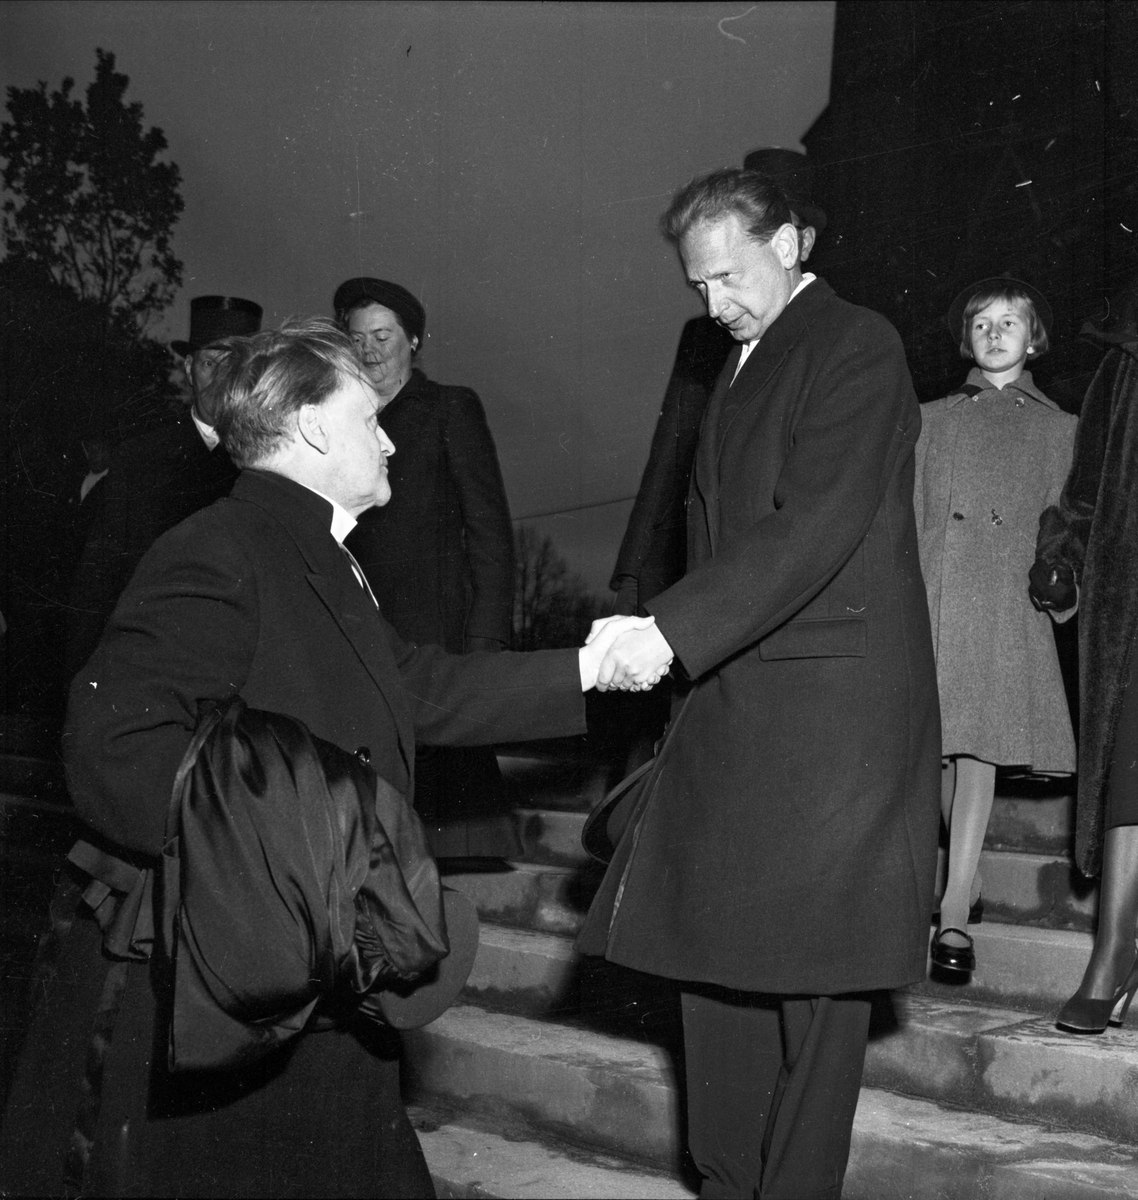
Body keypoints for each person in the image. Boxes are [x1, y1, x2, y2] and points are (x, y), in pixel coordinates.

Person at [0, 318, 646, 1198]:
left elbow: (415, 687)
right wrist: (284, 852)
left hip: (314, 972)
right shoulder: (220, 546)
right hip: (235, 973)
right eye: (368, 417)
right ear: (309, 427)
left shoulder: (320, 555)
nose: (387, 438)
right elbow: (112, 747)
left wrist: (586, 667)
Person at [579, 169, 941, 1199]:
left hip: (834, 719)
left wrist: (670, 633)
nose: (713, 304)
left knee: (817, 990)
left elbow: (815, 523)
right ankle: (727, 1179)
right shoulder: (736, 360)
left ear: (789, 241)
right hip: (740, 701)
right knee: (715, 956)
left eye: (729, 276)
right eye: (697, 286)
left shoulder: (854, 344)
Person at [915, 279, 1077, 978]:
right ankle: (967, 879)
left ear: (1034, 337)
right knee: (940, 750)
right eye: (981, 322)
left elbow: (1068, 527)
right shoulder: (930, 419)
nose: (994, 332)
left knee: (974, 746)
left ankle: (953, 915)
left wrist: (1061, 582)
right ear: (967, 339)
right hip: (934, 594)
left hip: (1005, 603)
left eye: (1010, 321)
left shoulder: (1061, 429)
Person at [333, 276, 518, 859]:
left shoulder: (449, 408)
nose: (369, 350)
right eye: (357, 338)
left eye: (383, 335)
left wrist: (484, 641)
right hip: (357, 631)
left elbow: (489, 531)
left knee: (437, 825)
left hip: (433, 638)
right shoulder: (335, 418)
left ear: (414, 340)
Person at [610, 148, 826, 619]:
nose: (716, 305)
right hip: (690, 553)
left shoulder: (833, 339)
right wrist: (632, 572)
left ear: (798, 241)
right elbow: (668, 453)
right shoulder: (704, 339)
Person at [1032, 277, 1138, 1033]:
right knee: (1131, 760)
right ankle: (1114, 948)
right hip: (1135, 599)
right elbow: (1083, 495)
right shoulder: (1123, 365)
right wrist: (1061, 556)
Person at [64, 295, 262, 679]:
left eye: (233, 366)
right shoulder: (141, 459)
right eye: (209, 364)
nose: (220, 379)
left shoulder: (266, 460)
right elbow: (97, 582)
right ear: (189, 368)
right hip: (147, 664)